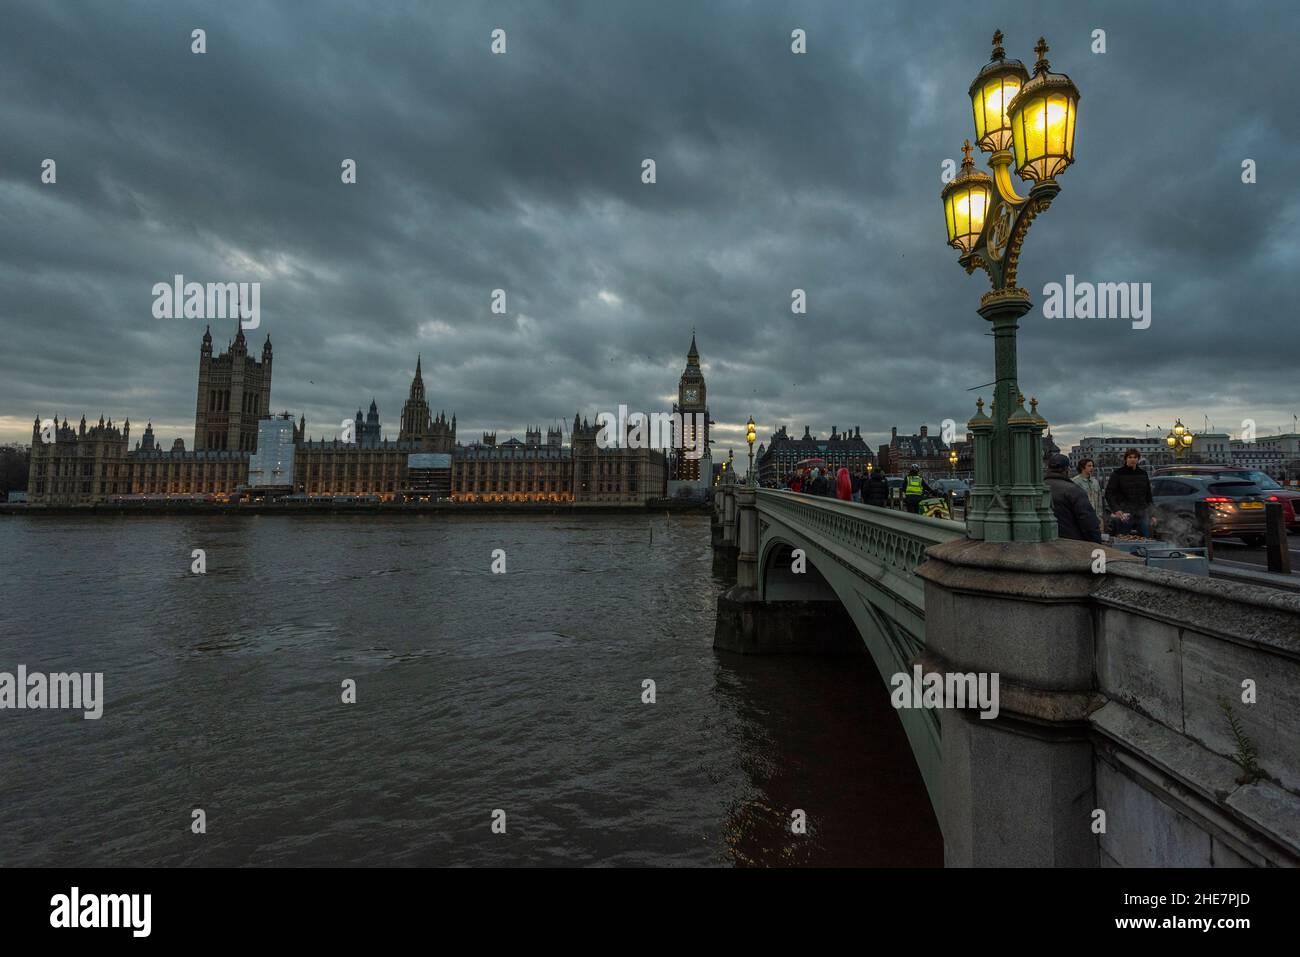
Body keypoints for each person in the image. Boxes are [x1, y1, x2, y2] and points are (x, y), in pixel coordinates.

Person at [1045, 453, 1102, 543]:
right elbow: (1088, 522)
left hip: (1046, 541)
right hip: (1072, 542)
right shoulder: (1074, 490)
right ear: (1067, 469)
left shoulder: (1039, 488)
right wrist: (1097, 544)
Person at [1104, 448, 1153, 537]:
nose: (1132, 460)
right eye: (1130, 457)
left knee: (1146, 539)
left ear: (1138, 459)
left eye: (1135, 457)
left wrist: (1153, 514)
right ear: (1126, 459)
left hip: (1142, 512)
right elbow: (1109, 493)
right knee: (1123, 539)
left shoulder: (1143, 473)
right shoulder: (1117, 473)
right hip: (1125, 513)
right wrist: (1116, 510)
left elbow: (1148, 495)